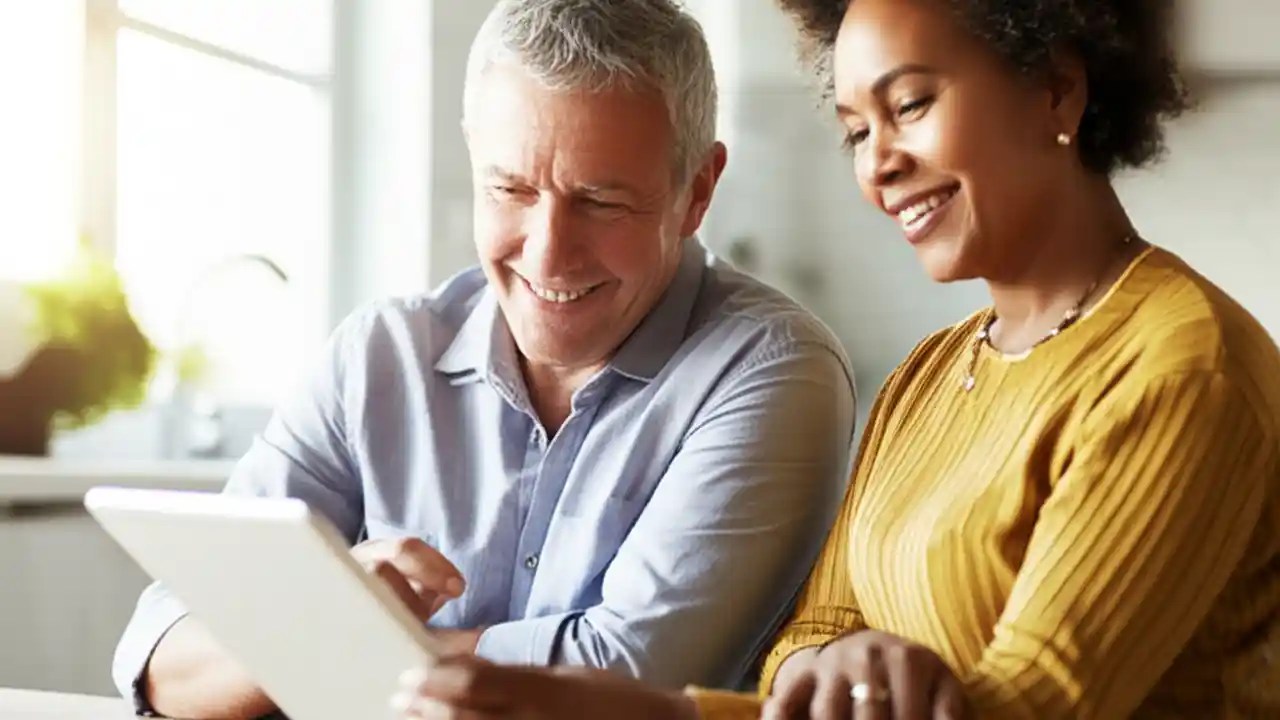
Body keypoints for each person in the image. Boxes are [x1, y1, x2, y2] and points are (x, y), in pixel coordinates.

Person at [391, 0, 1280, 717]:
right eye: (857, 129)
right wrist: (840, 662)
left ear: (1057, 91)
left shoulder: (1178, 368)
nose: (880, 164)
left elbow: (1031, 702)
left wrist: (651, 716)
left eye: (911, 105)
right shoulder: (930, 376)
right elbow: (805, 645)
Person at [110, 1, 858, 717]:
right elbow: (160, 654)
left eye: (601, 201)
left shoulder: (774, 369)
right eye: (510, 189)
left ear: (696, 192)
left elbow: (629, 677)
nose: (548, 252)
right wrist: (327, 629)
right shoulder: (376, 358)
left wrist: (321, 635)